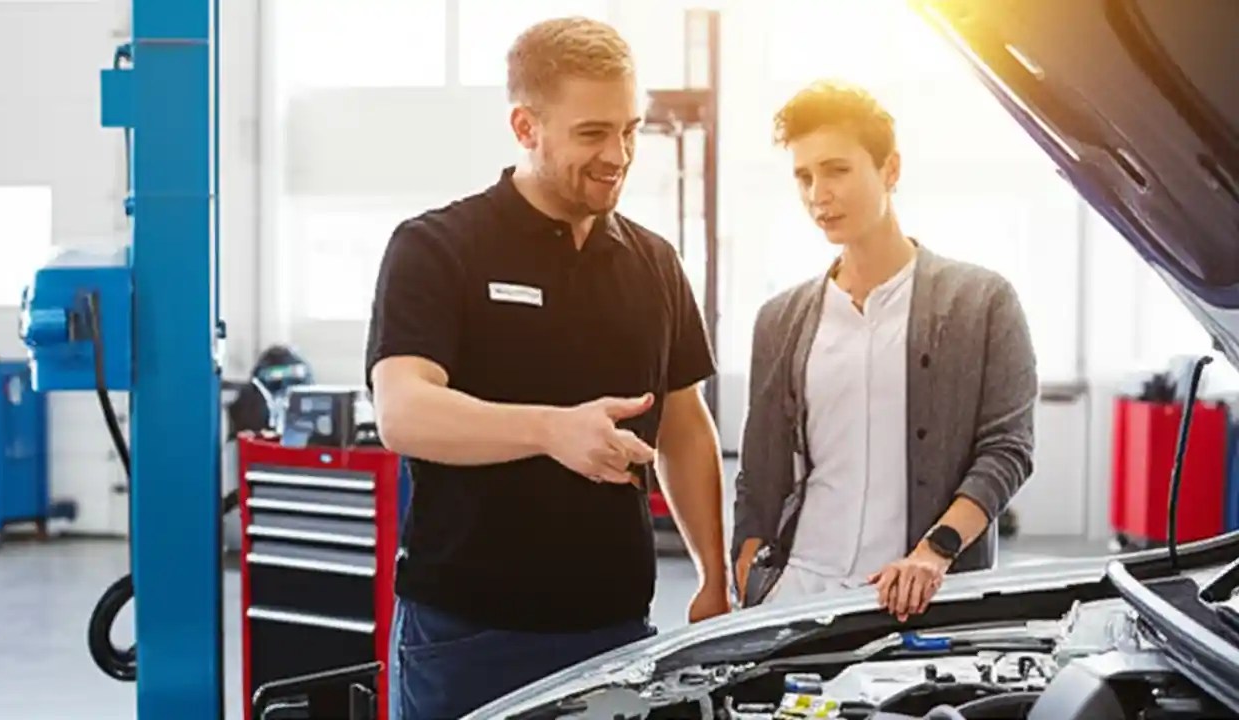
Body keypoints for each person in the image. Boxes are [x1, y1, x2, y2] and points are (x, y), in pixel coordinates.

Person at [364, 16, 730, 719]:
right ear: (525, 127)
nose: (618, 154)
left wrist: (714, 575)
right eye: (592, 133)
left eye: (630, 128)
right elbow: (403, 411)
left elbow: (684, 423)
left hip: (615, 631)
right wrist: (551, 431)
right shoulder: (439, 247)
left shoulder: (653, 263)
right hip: (469, 636)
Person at [731, 80, 1037, 621]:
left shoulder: (981, 301)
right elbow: (758, 471)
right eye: (803, 177)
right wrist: (749, 571)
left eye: (836, 170)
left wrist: (933, 554)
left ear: (890, 169)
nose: (817, 194)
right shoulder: (780, 319)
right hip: (793, 596)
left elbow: (1007, 450)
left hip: (914, 594)